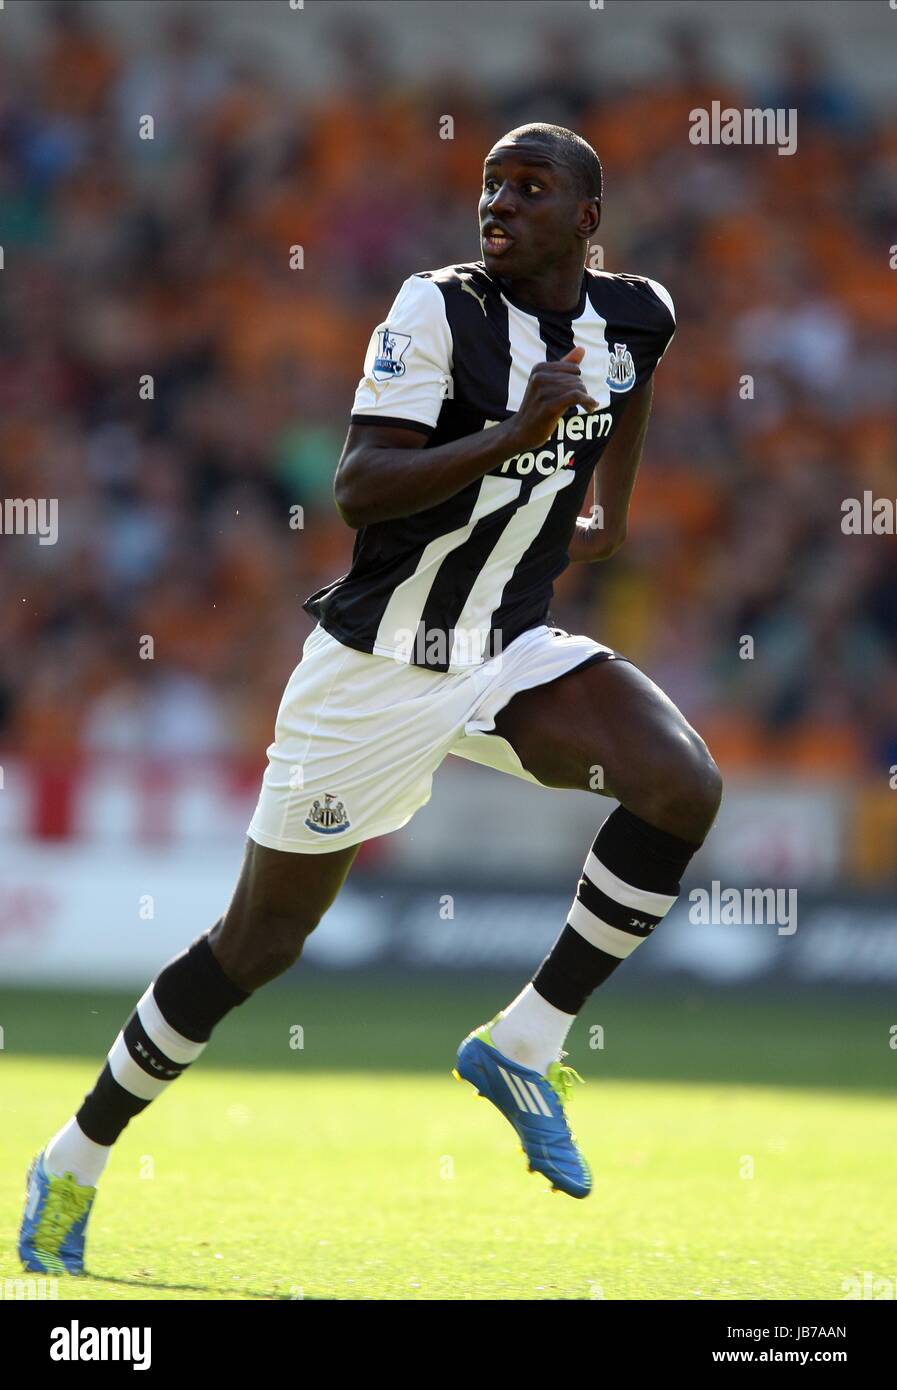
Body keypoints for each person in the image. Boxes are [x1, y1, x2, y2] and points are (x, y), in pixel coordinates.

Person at [19, 122, 721, 1273]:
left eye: (530, 190)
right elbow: (360, 487)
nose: (499, 204)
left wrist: (613, 510)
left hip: (505, 651)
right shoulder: (435, 310)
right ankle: (75, 1155)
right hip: (376, 672)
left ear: (586, 222)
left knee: (681, 781)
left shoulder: (636, 313)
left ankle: (523, 1042)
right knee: (257, 944)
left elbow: (629, 383)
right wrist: (516, 436)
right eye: (491, 185)